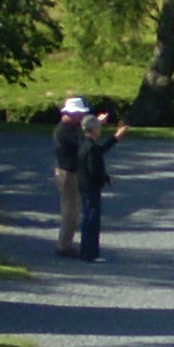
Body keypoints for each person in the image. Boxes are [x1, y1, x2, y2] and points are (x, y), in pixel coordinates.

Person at [77, 102, 126, 261]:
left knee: (87, 217)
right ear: (94, 130)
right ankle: (90, 253)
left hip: (83, 185)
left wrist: (114, 138)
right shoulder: (91, 148)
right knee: (92, 219)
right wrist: (105, 178)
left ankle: (86, 250)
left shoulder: (84, 143)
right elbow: (95, 169)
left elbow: (100, 151)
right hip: (91, 186)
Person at [52, 95, 90, 257]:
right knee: (70, 211)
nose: (81, 117)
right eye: (78, 114)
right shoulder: (63, 131)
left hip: (73, 171)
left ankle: (66, 243)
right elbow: (80, 144)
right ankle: (64, 246)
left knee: (73, 209)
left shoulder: (73, 128)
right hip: (67, 172)